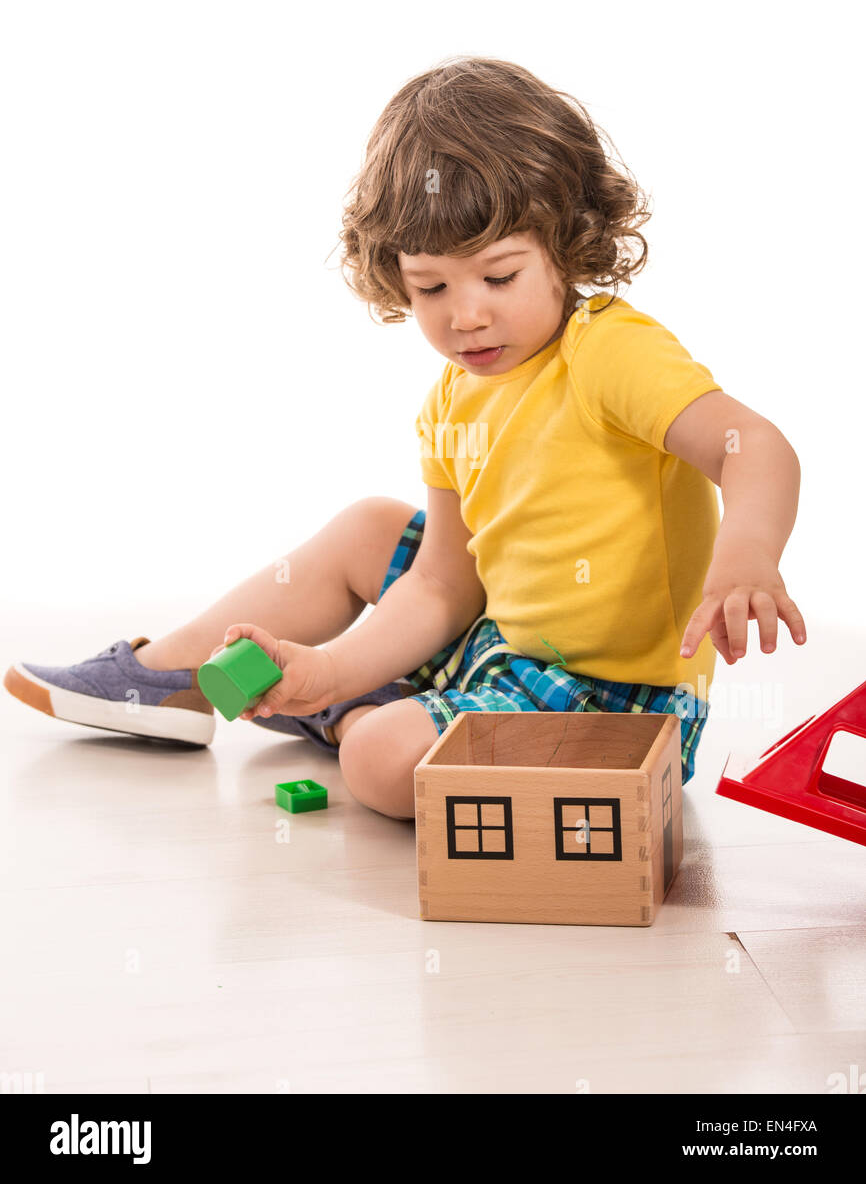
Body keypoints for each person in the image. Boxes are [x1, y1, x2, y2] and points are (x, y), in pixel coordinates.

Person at [4, 56, 806, 821]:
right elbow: (440, 588)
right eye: (430, 286)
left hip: (609, 698)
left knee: (378, 761)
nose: (465, 315)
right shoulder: (451, 400)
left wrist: (744, 554)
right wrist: (328, 662)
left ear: (564, 246)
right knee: (368, 527)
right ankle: (172, 680)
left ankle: (356, 712)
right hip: (498, 643)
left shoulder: (606, 350)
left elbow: (750, 443)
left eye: (499, 277)